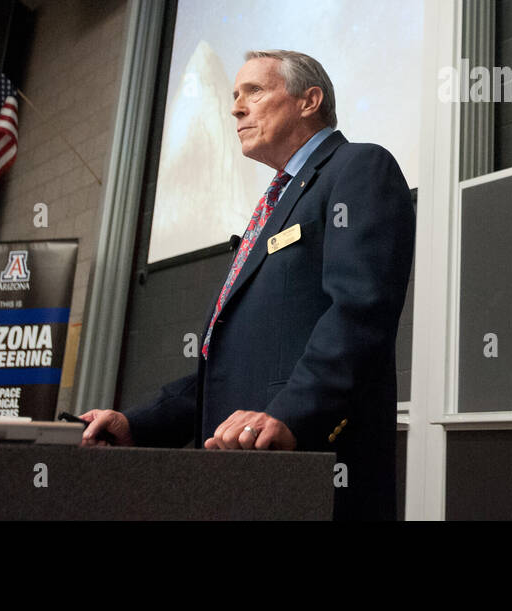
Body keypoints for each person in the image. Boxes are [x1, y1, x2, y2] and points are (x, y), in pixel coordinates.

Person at [79, 49, 415, 520]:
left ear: (308, 100)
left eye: (253, 91)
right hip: (240, 472)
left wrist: (291, 414)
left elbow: (360, 313)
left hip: (312, 470)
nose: (236, 107)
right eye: (234, 96)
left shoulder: (358, 168)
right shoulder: (276, 204)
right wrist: (139, 423)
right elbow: (225, 367)